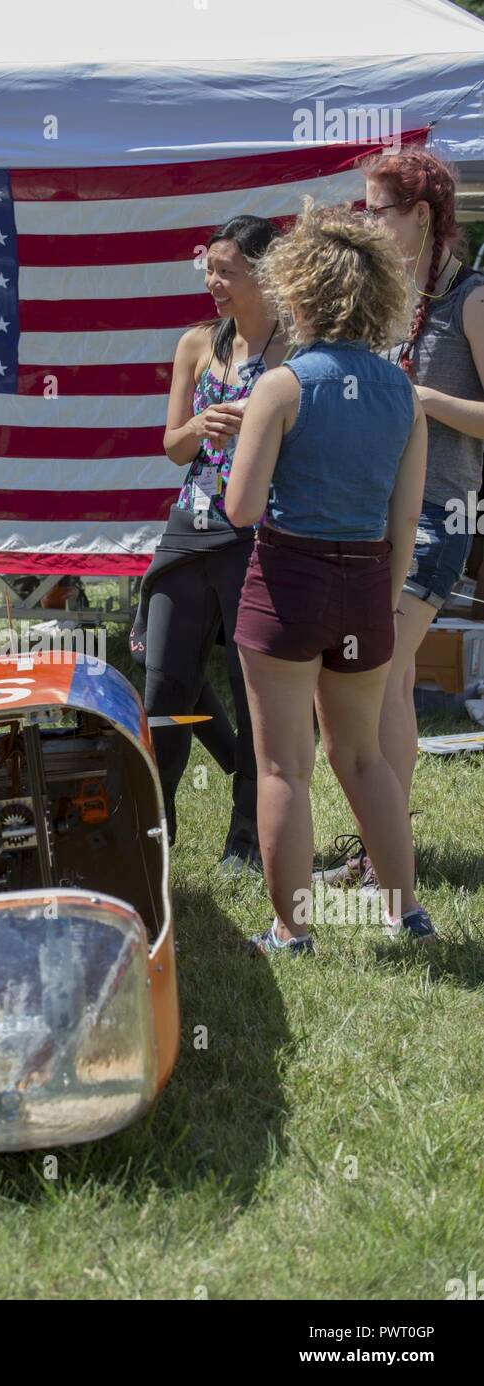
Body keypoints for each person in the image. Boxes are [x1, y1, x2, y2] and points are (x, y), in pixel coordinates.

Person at [225, 199, 437, 953]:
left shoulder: (281, 386)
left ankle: (291, 930)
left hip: (286, 578)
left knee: (283, 765)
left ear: (299, 288)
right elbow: (405, 522)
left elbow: (241, 507)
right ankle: (405, 913)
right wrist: (380, 598)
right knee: (363, 756)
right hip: (365, 582)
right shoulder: (403, 395)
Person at [317, 147, 484, 893]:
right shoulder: (386, 301)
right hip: (375, 515)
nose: (366, 223)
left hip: (439, 516)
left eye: (377, 209)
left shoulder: (470, 299)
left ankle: (382, 872)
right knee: (394, 677)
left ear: (420, 216)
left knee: (375, 680)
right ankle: (383, 853)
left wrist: (424, 400)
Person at [131, 215, 292, 869]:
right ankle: (152, 833)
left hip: (262, 533)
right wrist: (199, 422)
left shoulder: (295, 350)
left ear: (264, 273)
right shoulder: (195, 343)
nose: (212, 281)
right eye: (209, 267)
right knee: (164, 681)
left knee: (251, 688)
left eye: (226, 269)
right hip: (189, 531)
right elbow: (172, 449)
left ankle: (246, 842)